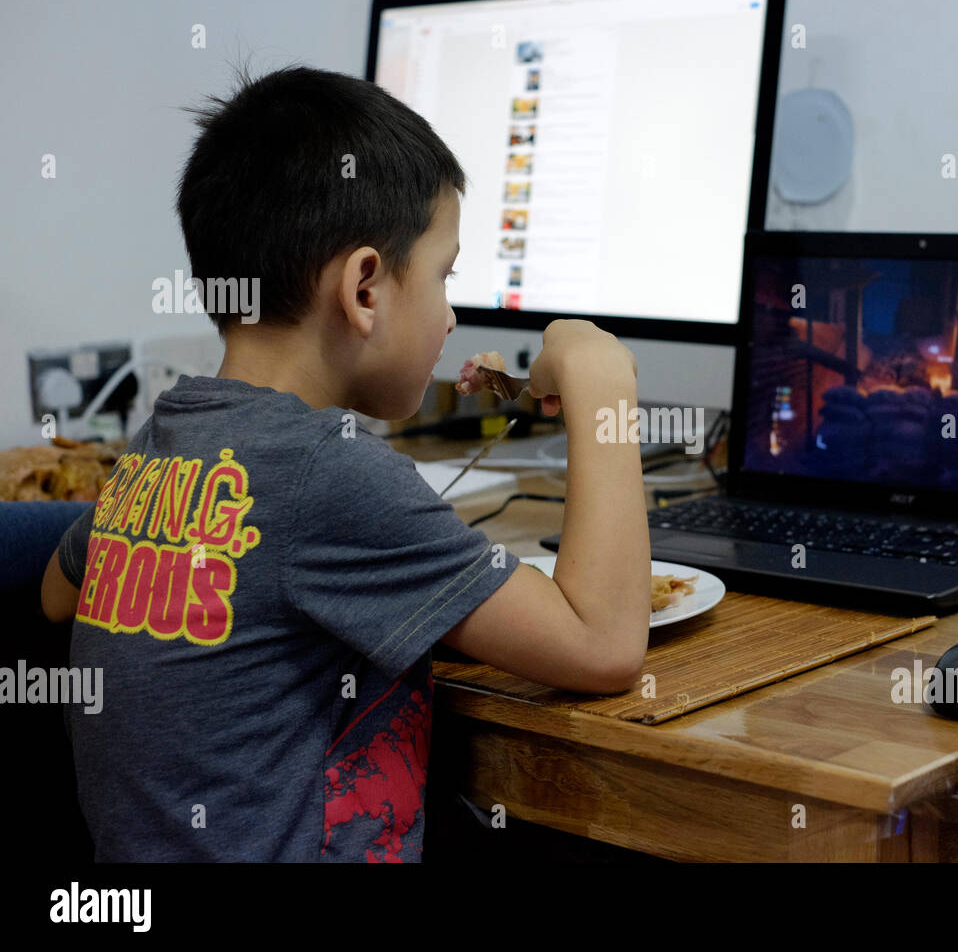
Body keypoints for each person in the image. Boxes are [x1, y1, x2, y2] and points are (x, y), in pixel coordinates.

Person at [39, 65, 650, 862]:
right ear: (365, 287)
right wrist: (603, 380)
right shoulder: (331, 474)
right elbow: (604, 646)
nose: (451, 312)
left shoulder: (166, 442)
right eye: (443, 275)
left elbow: (59, 594)